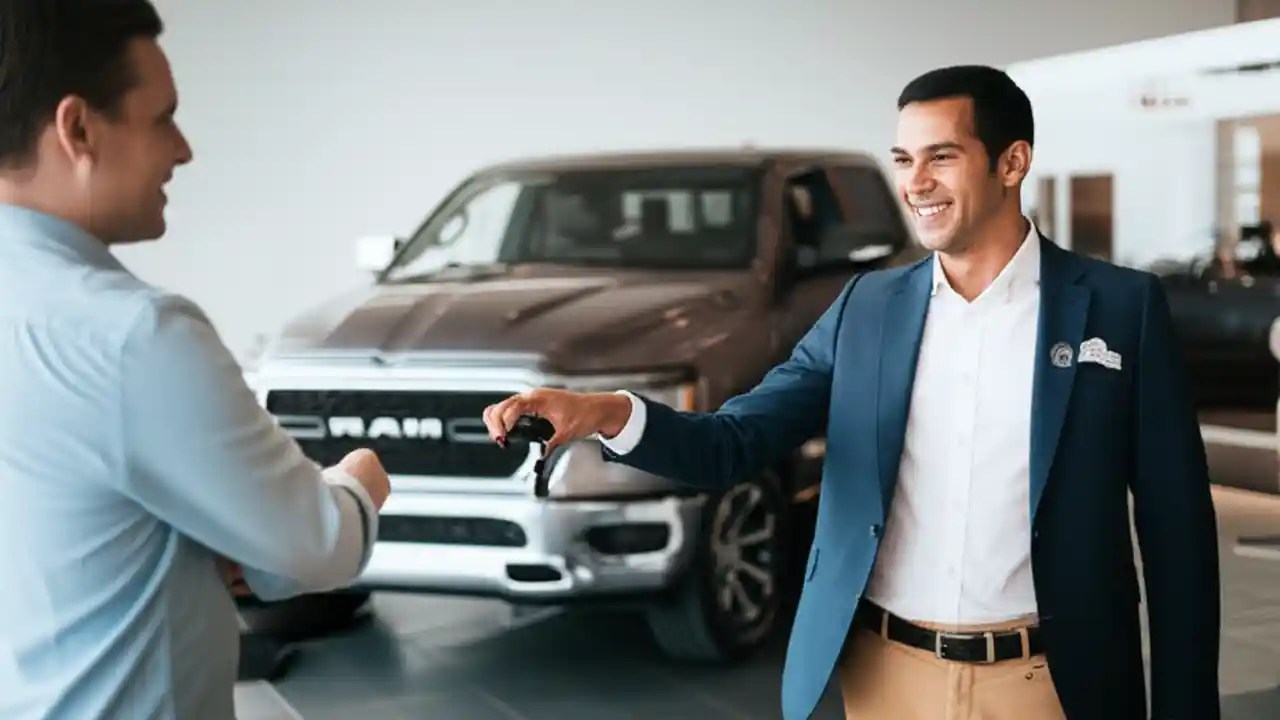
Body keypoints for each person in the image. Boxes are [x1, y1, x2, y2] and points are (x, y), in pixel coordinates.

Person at [484, 65, 1220, 719]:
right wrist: (604, 412)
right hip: (885, 680)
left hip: (1051, 685)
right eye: (904, 159)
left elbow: (1177, 536)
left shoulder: (1122, 310)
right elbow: (734, 442)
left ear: (1012, 162)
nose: (916, 183)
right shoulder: (865, 309)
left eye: (942, 157)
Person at [0, 2, 391, 718]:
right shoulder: (134, 336)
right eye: (162, 118)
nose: (184, 150)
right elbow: (311, 545)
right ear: (78, 129)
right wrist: (360, 479)